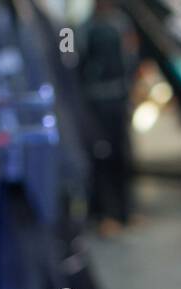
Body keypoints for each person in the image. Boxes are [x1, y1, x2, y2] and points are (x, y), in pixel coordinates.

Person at [76, 0, 139, 236]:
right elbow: (76, 65)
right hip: (96, 102)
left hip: (120, 99)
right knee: (102, 156)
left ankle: (127, 210)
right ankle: (107, 214)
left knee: (124, 155)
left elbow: (131, 56)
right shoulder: (84, 29)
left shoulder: (121, 22)